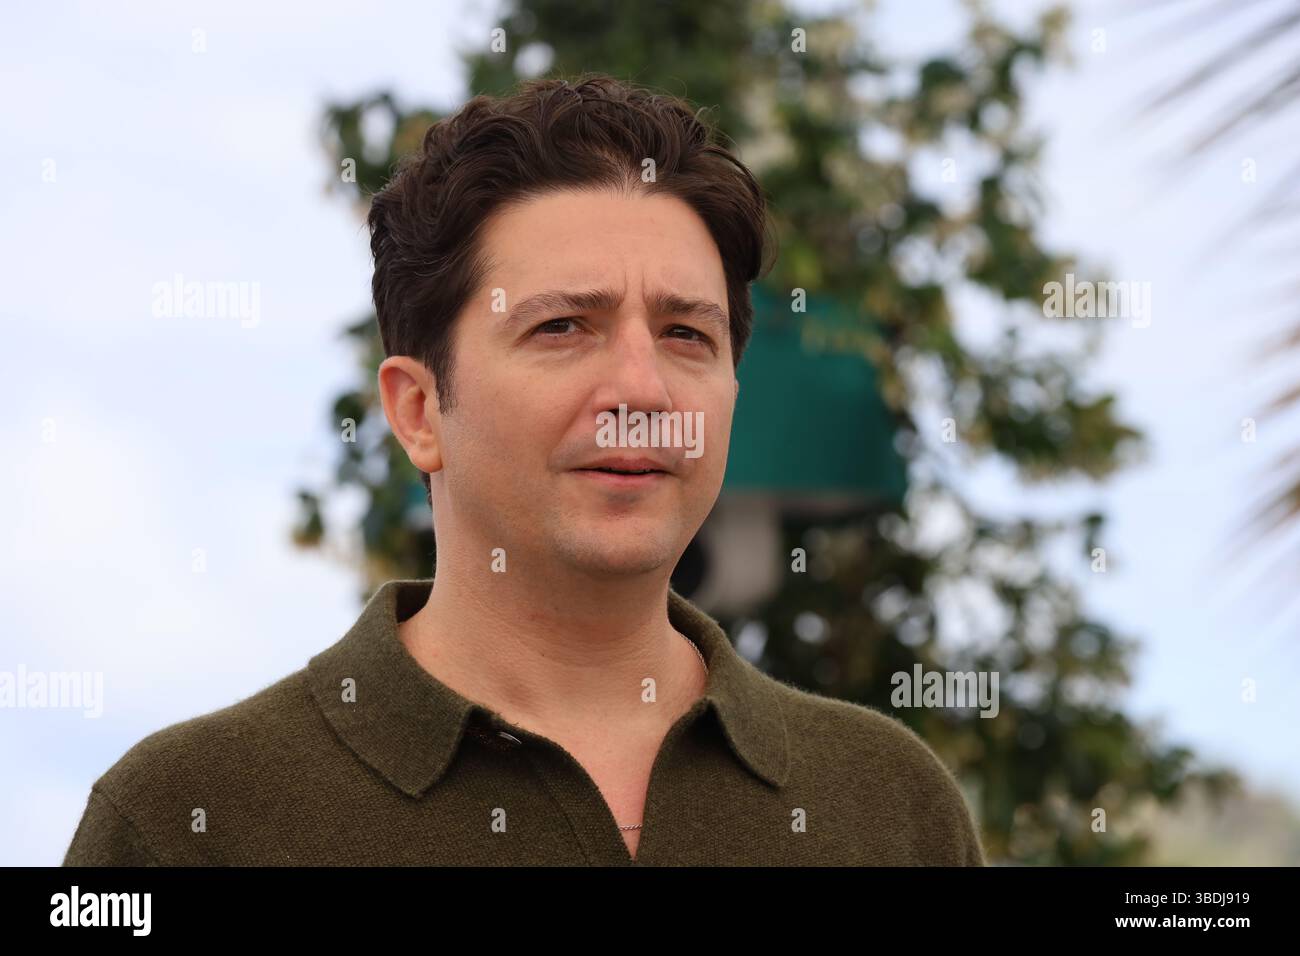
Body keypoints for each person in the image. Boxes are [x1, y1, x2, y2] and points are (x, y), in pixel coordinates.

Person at [63, 73, 985, 866]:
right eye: (561, 328)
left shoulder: (891, 809)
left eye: (685, 334)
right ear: (418, 412)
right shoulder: (188, 824)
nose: (641, 389)